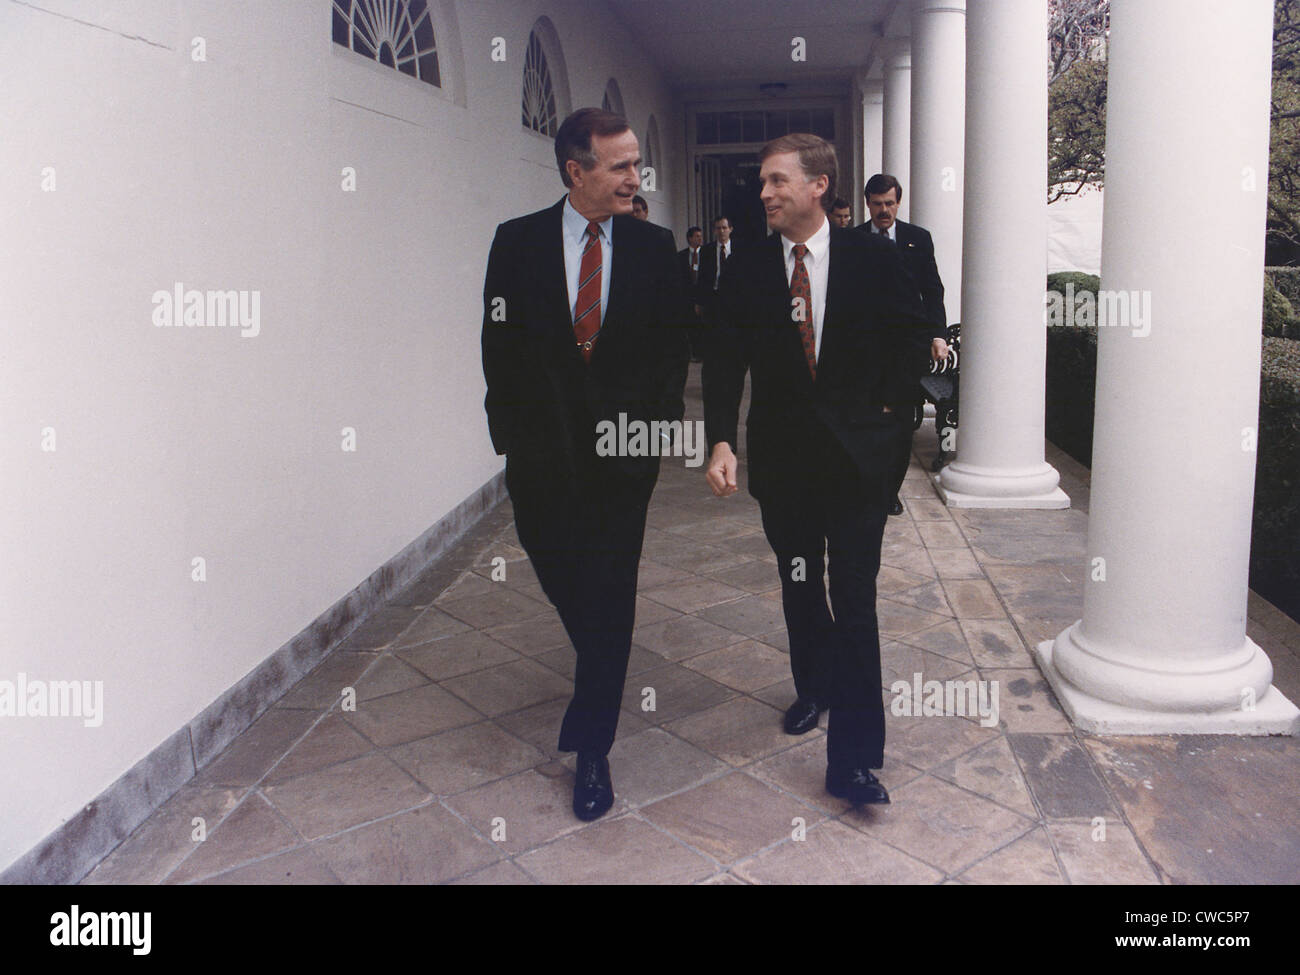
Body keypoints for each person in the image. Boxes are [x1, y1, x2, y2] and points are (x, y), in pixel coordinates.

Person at [703, 134, 940, 805]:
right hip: (784, 464)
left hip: (861, 465)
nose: (765, 192)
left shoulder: (874, 258)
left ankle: (856, 761)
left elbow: (911, 340)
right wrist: (721, 439)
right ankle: (815, 685)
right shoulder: (747, 265)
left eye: (778, 180)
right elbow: (724, 361)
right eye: (762, 181)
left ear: (819, 185)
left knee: (856, 599)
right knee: (800, 583)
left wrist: (892, 430)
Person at [481, 108, 688, 821]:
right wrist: (507, 432)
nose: (638, 177)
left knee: (612, 586)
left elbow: (671, 351)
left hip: (623, 461)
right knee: (561, 570)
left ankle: (594, 749)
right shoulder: (516, 243)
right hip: (541, 456)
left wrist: (654, 433)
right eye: (622, 165)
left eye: (638, 163)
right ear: (578, 172)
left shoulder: (655, 248)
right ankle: (597, 670)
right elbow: (498, 342)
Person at [857, 173, 950, 514]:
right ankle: (868, 485)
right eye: (878, 204)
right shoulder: (851, 240)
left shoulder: (918, 239)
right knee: (867, 419)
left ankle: (889, 491)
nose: (884, 210)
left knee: (900, 421)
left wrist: (938, 334)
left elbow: (933, 290)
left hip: (907, 349)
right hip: (864, 351)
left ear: (898, 203)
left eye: (890, 203)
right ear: (867, 203)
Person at [696, 215, 736, 321]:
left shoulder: (739, 249)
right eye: (718, 228)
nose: (721, 231)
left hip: (734, 298)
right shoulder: (706, 250)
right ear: (714, 231)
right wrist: (699, 302)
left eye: (724, 228)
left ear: (730, 229)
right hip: (713, 298)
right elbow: (701, 277)